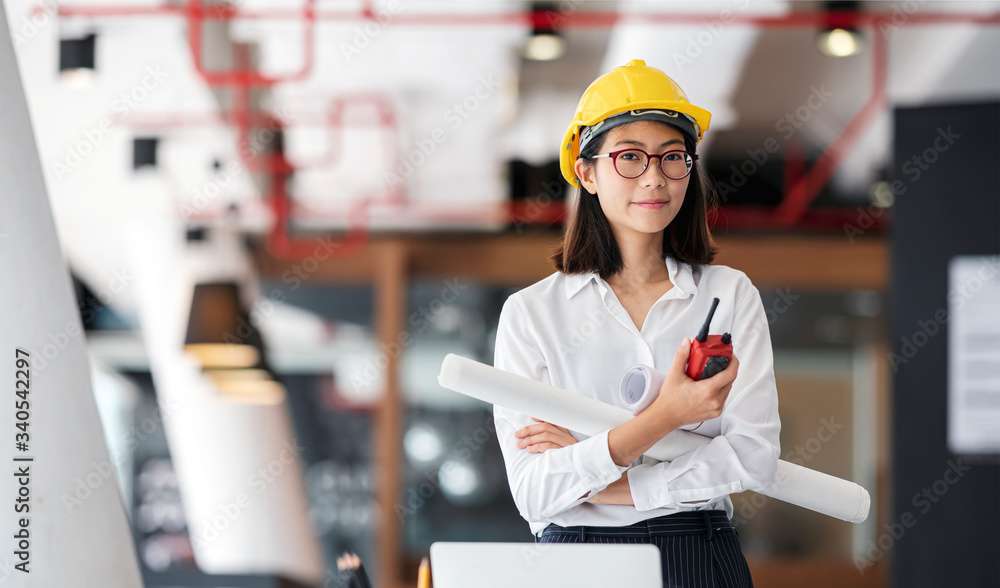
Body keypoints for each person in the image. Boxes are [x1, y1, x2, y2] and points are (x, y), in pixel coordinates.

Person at [492, 59, 781, 587]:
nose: (655, 177)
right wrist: (669, 415)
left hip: (698, 554)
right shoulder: (532, 314)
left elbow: (753, 457)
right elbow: (534, 492)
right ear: (586, 171)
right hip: (574, 563)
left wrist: (600, 480)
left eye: (673, 158)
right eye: (630, 157)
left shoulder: (728, 294)